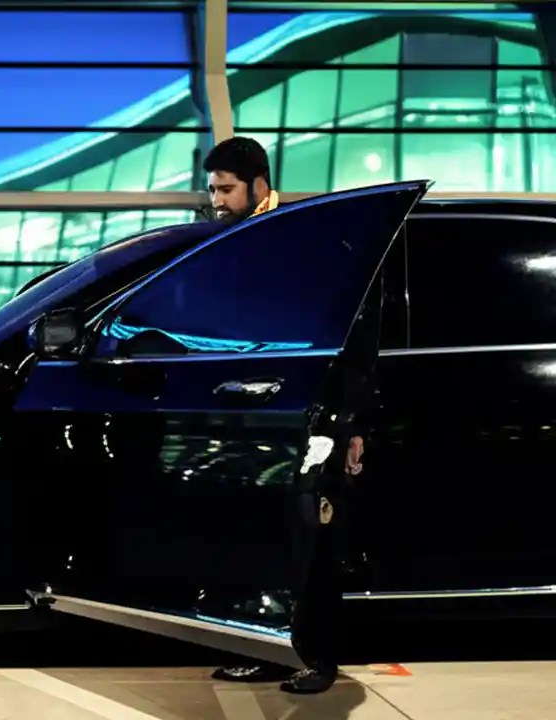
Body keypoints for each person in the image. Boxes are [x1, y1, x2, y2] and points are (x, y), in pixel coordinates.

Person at [202, 136, 370, 695]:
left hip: (311, 414)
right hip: (255, 412)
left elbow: (351, 335)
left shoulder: (305, 238)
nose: (217, 200)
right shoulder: (233, 242)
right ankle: (264, 647)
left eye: (226, 189)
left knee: (311, 542)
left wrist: (349, 424)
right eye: (212, 190)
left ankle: (318, 658)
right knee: (259, 535)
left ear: (258, 185)